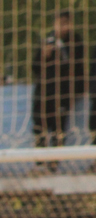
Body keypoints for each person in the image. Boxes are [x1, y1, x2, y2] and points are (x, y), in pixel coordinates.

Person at [32, 10, 85, 154]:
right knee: (40, 128)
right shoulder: (47, 40)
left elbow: (78, 68)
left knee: (58, 129)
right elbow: (34, 67)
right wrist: (44, 55)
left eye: (65, 23)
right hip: (43, 94)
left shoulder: (75, 42)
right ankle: (40, 162)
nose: (62, 27)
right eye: (59, 23)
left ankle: (55, 162)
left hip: (63, 94)